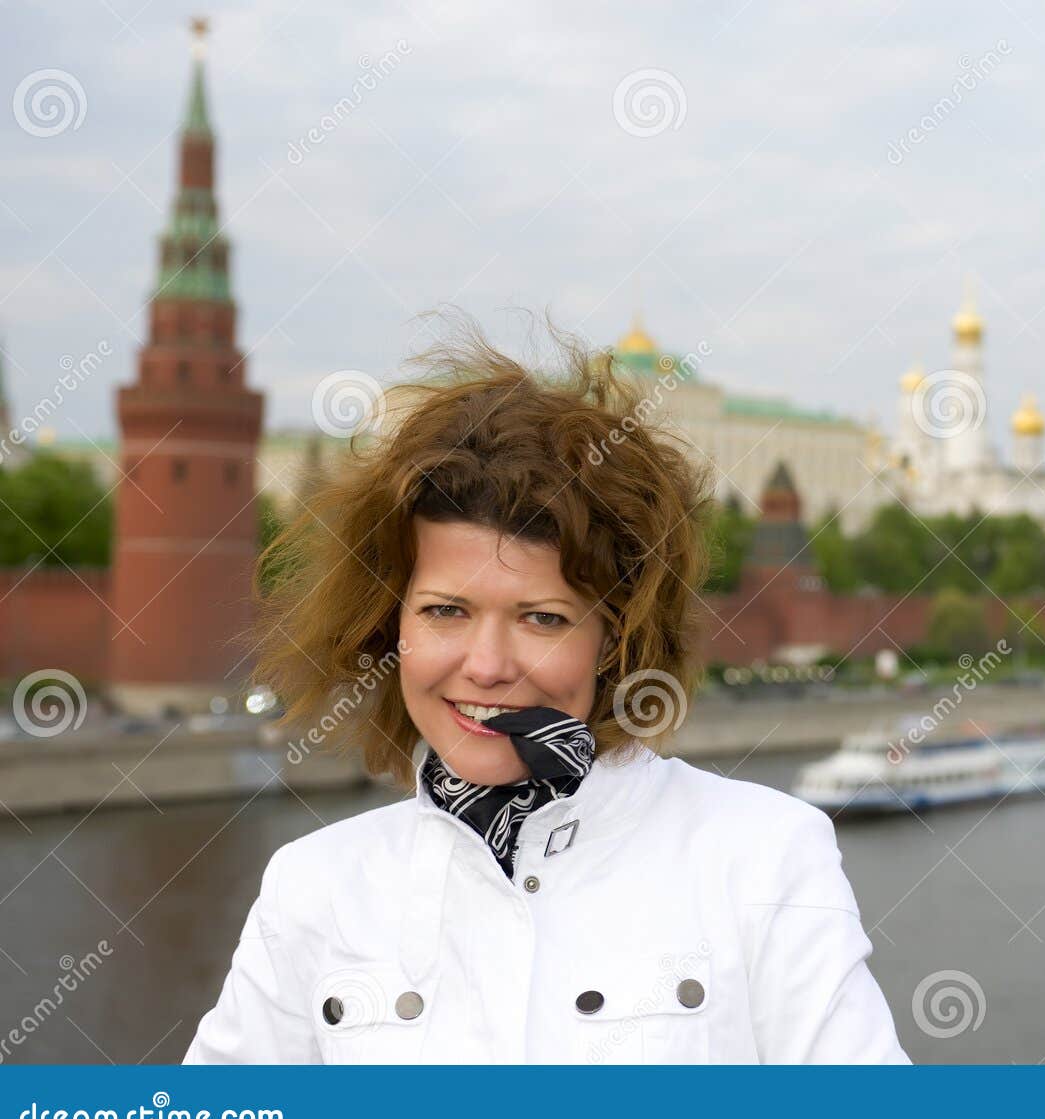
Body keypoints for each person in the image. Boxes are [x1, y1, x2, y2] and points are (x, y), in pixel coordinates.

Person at [183, 321, 910, 1064]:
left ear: (617, 640)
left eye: (542, 618)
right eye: (445, 611)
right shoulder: (315, 888)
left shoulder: (761, 857)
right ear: (385, 624)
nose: (489, 664)